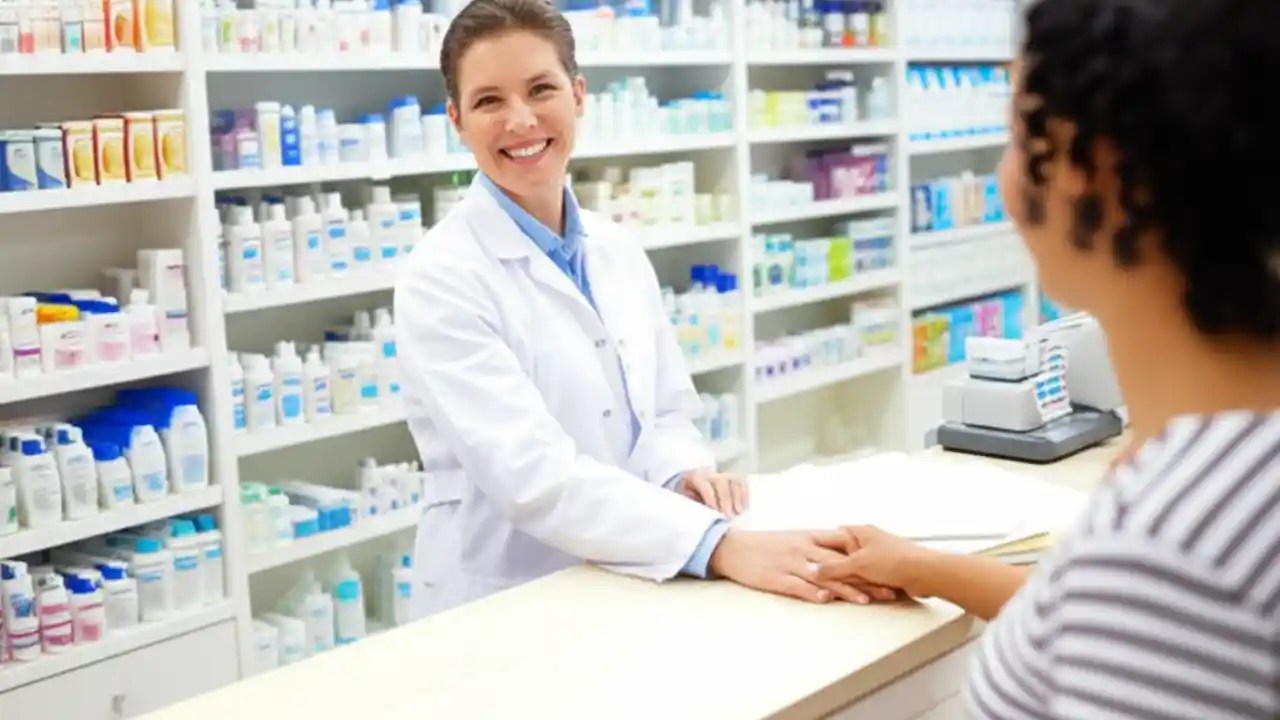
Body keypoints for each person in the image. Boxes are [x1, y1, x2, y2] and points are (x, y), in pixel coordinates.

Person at [816, 0, 1280, 717]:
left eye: (1010, 129)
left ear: (1077, 161)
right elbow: (1114, 627)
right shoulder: (1222, 480)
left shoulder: (1173, 544)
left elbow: (1145, 601)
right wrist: (926, 566)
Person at [395, 0, 883, 618]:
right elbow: (533, 476)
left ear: (578, 95)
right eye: (489, 101)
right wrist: (721, 545)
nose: (520, 120)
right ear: (457, 120)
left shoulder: (616, 248)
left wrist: (682, 474)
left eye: (540, 89)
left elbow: (665, 409)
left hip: (627, 576)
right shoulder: (441, 278)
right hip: (506, 598)